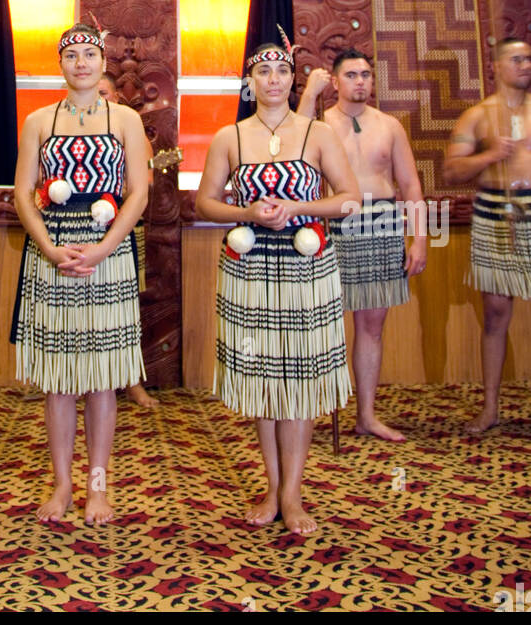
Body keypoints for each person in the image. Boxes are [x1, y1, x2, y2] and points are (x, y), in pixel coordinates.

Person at [196, 37, 359, 536]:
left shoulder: (318, 133)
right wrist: (247, 213)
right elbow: (205, 204)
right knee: (264, 378)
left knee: (301, 379)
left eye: (281, 71)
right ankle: (272, 484)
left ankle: (294, 491)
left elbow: (350, 198)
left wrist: (298, 209)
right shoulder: (230, 136)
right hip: (248, 269)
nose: (272, 79)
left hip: (306, 268)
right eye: (262, 71)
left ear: (293, 79)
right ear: (249, 81)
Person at [12, 23, 149, 525]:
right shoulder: (40, 121)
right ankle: (62, 485)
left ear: (103, 60)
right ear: (61, 64)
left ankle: (98, 485)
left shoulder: (125, 119)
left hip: (106, 256)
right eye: (72, 55)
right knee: (59, 381)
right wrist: (48, 247)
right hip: (53, 255)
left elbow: (138, 191)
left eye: (90, 54)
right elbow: (22, 192)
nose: (82, 63)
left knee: (102, 381)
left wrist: (105, 248)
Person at [298, 51, 427, 442]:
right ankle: (306, 413)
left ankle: (366, 415)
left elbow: (411, 186)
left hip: (383, 224)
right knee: (321, 325)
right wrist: (308, 94)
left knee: (372, 326)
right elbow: (293, 151)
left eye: (366, 75)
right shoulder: (318, 123)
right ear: (334, 82)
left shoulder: (389, 126)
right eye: (351, 75)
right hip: (332, 226)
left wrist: (419, 238)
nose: (360, 82)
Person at [444, 37, 531, 435]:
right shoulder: (478, 116)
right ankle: (491, 407)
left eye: (529, 58)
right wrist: (490, 155)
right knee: (496, 312)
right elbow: (452, 171)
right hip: (494, 211)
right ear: (497, 66)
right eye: (517, 59)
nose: (525, 64)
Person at [97, 70, 157, 410]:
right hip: (75, 225)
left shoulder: (128, 128)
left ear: (117, 97)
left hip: (124, 225)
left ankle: (131, 381)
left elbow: (145, 179)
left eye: (106, 93)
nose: (100, 97)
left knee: (126, 307)